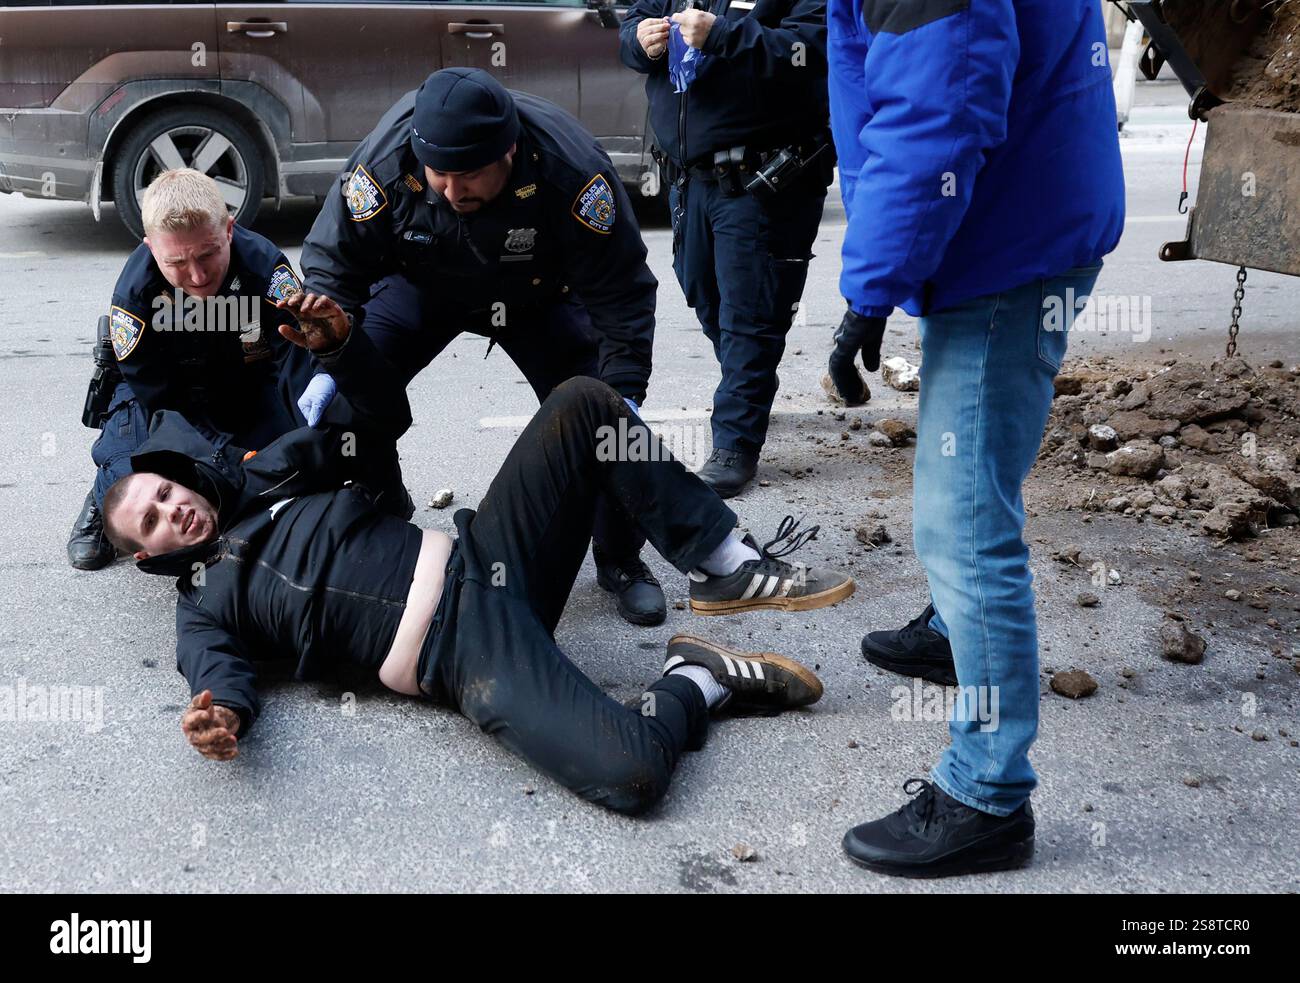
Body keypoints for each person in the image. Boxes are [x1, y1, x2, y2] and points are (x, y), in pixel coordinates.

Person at [100, 291, 855, 814]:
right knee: (632, 776)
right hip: (463, 654)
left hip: (489, 554)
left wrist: (346, 347)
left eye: (166, 493)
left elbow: (380, 418)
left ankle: (721, 558)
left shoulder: (270, 472)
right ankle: (698, 679)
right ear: (146, 556)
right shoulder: (202, 607)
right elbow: (219, 678)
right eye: (155, 520)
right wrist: (220, 717)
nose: (176, 509)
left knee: (583, 402)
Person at [825, 0, 1125, 876]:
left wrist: (870, 289)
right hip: (1011, 224)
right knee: (973, 473)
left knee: (962, 520)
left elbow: (940, 110)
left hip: (1007, 247)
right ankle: (960, 633)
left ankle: (987, 792)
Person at [298, 67, 667, 628]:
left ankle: (620, 558)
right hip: (423, 286)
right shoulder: (385, 162)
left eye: (467, 176)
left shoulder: (573, 171)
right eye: (438, 175)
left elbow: (622, 292)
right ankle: (382, 503)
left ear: (509, 151)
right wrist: (332, 352)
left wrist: (626, 392)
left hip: (538, 296)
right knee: (348, 389)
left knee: (606, 420)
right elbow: (332, 260)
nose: (451, 191)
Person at [620, 0, 834, 498]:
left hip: (763, 178)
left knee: (749, 315)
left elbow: (814, 49)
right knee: (703, 293)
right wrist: (639, 40)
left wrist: (723, 35)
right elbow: (633, 24)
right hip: (690, 177)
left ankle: (735, 441)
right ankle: (751, 387)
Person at [68, 168, 322, 571]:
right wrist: (215, 452)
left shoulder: (266, 269)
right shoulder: (135, 294)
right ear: (151, 248)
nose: (199, 276)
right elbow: (159, 399)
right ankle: (105, 497)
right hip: (161, 395)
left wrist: (310, 437)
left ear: (229, 231)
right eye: (178, 263)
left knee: (293, 460)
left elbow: (293, 363)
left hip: (243, 384)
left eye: (207, 255)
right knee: (130, 469)